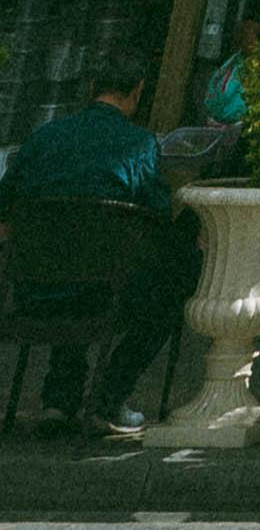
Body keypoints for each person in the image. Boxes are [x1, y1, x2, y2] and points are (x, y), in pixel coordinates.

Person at [0, 50, 197, 437]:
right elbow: (156, 220)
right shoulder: (138, 145)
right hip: (106, 291)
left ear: (92, 88)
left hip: (33, 290)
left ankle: (59, 398)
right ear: (137, 91)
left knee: (76, 256)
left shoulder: (44, 137)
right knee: (173, 280)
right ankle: (107, 399)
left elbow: (5, 205)